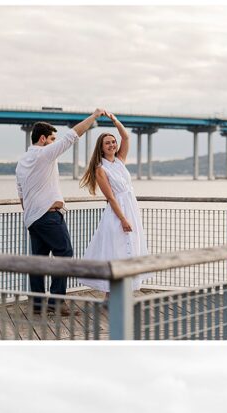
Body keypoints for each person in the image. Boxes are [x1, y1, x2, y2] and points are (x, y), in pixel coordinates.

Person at [15, 109, 105, 313]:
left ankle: (38, 304)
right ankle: (56, 302)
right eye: (52, 138)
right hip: (48, 216)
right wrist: (94, 116)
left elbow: (21, 195)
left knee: (38, 261)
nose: (55, 142)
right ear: (43, 138)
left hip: (32, 218)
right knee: (65, 253)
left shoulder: (22, 162)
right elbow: (73, 135)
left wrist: (33, 211)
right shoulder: (44, 154)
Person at [75, 113, 149, 292]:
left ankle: (122, 293)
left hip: (131, 208)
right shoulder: (101, 169)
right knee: (117, 250)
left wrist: (114, 120)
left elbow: (126, 136)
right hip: (118, 212)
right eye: (107, 143)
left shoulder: (120, 160)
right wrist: (123, 219)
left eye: (113, 142)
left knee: (132, 247)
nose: (112, 145)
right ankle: (111, 294)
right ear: (101, 148)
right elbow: (111, 198)